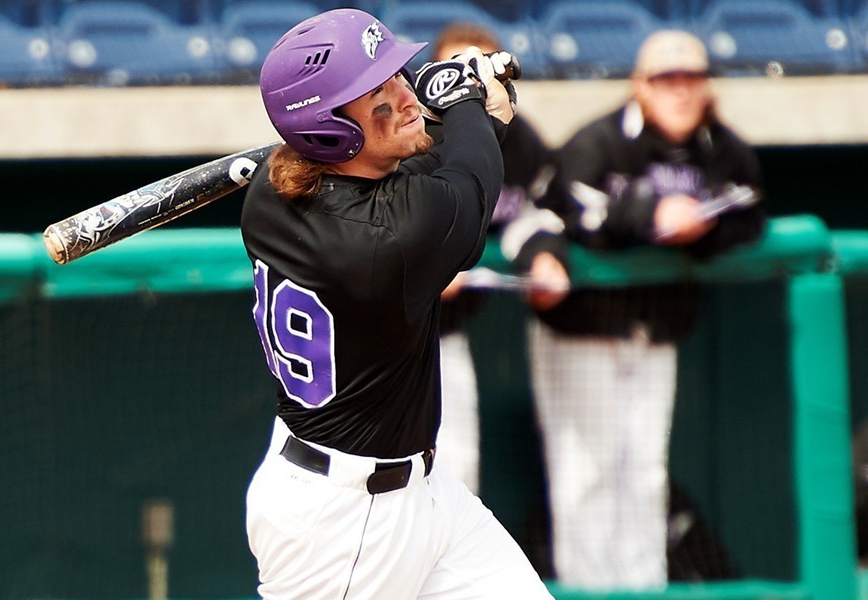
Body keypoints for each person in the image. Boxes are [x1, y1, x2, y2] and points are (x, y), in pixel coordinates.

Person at [239, 8, 554, 599]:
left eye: (397, 78)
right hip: (342, 526)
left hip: (422, 492)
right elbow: (469, 183)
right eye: (377, 95)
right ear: (331, 133)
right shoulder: (387, 239)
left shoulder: (271, 192)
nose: (405, 97)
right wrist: (467, 103)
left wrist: (455, 107)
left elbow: (433, 171)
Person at [501, 29, 766, 589]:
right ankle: (592, 591)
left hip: (656, 331)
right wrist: (651, 214)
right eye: (666, 81)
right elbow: (564, 210)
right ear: (640, 88)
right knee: (587, 479)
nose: (680, 92)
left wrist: (701, 231)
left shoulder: (720, 147)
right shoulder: (598, 141)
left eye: (691, 79)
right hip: (582, 334)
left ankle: (644, 591)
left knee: (646, 477)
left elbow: (751, 210)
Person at [429, 22, 557, 495]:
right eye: (457, 68)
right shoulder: (415, 134)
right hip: (388, 334)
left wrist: (544, 253)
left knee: (460, 466)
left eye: (481, 68)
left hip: (449, 331)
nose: (471, 79)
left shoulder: (519, 140)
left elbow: (547, 211)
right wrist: (424, 270)